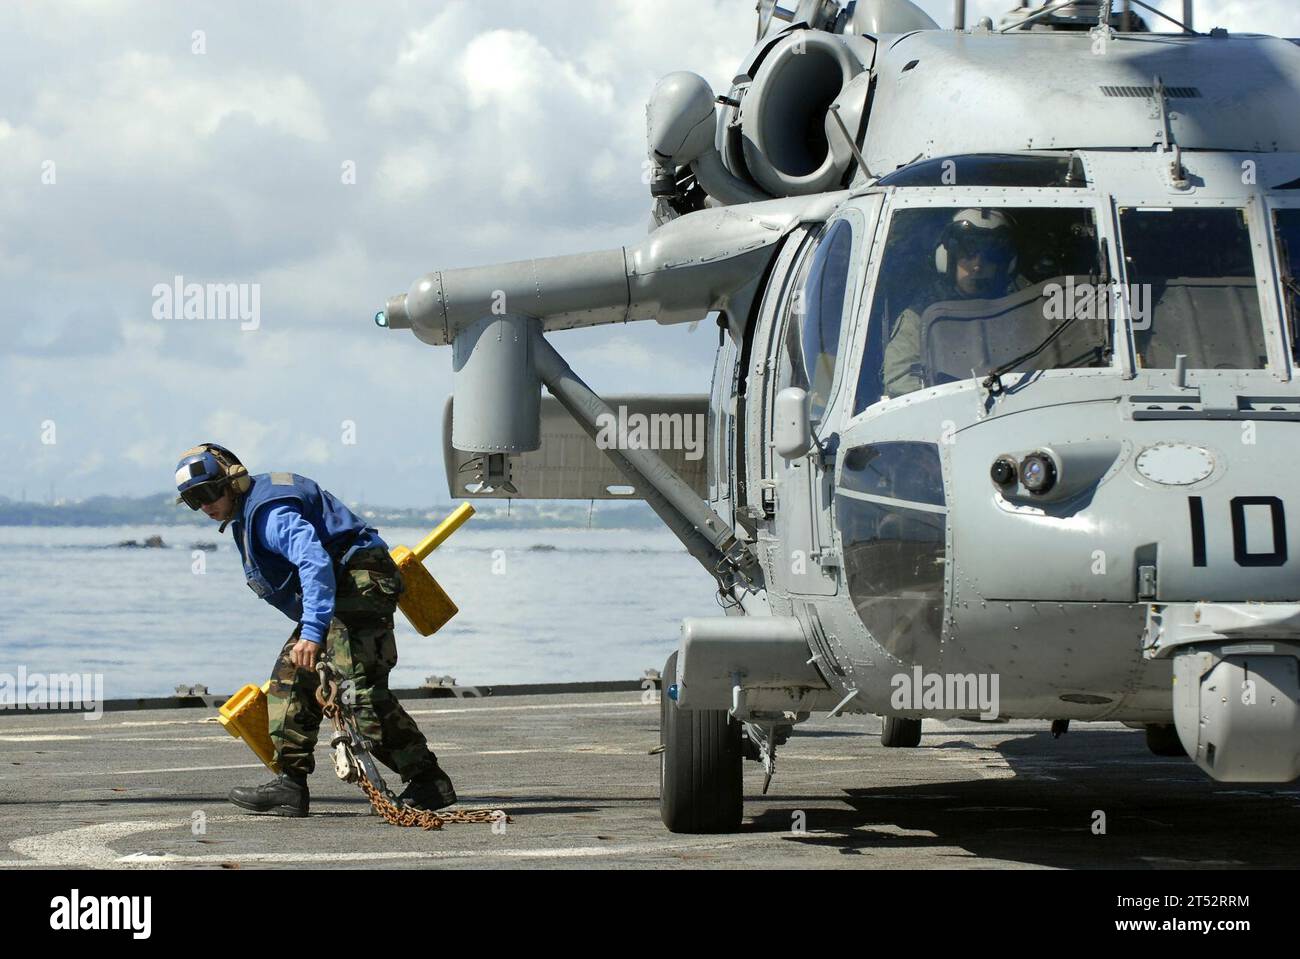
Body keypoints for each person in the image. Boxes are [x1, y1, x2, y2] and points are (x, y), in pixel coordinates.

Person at [174, 443, 457, 818]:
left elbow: (313, 560)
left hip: (359, 582)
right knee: (291, 679)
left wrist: (312, 632)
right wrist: (312, 631)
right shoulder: (250, 513)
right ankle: (291, 785)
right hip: (338, 591)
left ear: (233, 481)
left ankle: (429, 782)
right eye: (195, 500)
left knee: (359, 691)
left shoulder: (270, 513)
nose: (205, 506)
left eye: (208, 492)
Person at [882, 208, 1022, 397]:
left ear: (1005, 264)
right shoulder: (920, 316)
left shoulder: (1023, 308)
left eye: (990, 256)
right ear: (948, 258)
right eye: (967, 254)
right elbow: (901, 381)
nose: (977, 266)